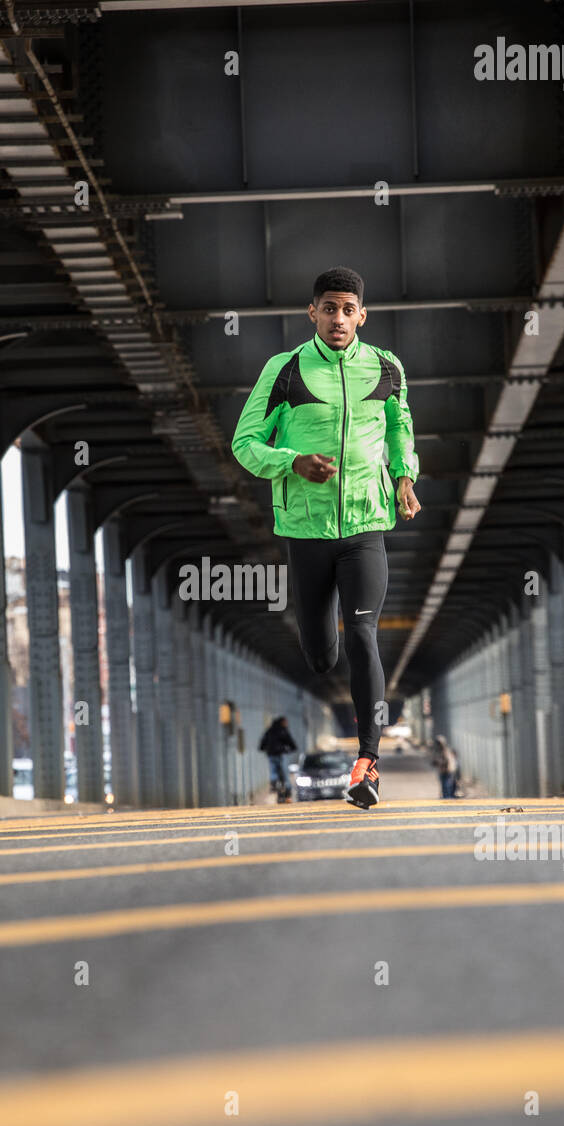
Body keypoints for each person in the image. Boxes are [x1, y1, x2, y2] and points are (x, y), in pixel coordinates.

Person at [232, 266, 420, 810]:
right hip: (307, 531)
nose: (338, 319)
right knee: (321, 655)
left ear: (362, 315)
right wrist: (292, 463)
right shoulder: (284, 370)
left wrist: (404, 476)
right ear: (312, 313)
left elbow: (399, 425)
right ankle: (323, 645)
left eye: (348, 310)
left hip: (366, 526)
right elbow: (245, 444)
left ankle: (367, 762)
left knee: (364, 635)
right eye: (328, 309)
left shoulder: (387, 367)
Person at [259, 715, 298, 802]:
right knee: (284, 773)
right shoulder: (282, 730)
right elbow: (290, 741)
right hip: (281, 754)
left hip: (271, 755)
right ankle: (287, 789)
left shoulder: (269, 731)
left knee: (273, 771)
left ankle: (273, 785)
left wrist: (263, 749)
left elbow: (262, 743)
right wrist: (291, 749)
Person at [432, 735, 459, 799]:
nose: (438, 745)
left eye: (439, 743)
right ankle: (446, 797)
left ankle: (448, 797)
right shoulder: (438, 751)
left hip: (448, 770)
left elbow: (447, 761)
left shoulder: (446, 750)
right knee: (445, 785)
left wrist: (439, 763)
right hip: (443, 770)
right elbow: (434, 762)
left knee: (448, 785)